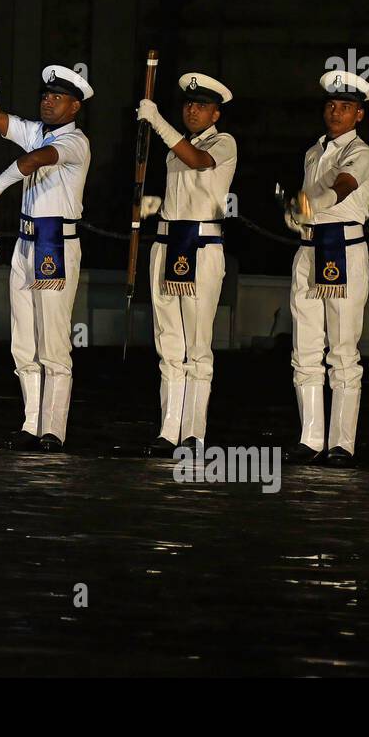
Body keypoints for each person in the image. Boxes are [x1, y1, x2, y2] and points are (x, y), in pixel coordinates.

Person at [0, 64, 92, 453]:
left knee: (53, 343)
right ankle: (31, 422)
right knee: (23, 341)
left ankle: (54, 428)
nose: (47, 100)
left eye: (57, 97)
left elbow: (36, 159)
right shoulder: (38, 131)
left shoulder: (75, 142)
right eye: (46, 95)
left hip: (56, 243)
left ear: (74, 107)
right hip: (26, 242)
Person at [136, 72, 237, 455]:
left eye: (202, 106)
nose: (193, 110)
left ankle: (194, 432)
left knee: (198, 346)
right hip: (167, 243)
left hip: (202, 246)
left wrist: (157, 120)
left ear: (216, 114)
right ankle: (168, 430)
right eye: (189, 104)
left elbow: (197, 161)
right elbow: (181, 192)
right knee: (169, 343)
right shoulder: (172, 148)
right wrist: (154, 207)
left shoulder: (224, 143)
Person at [282, 70, 369, 467]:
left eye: (345, 107)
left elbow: (344, 185)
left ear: (359, 115)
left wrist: (310, 206)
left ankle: (342, 442)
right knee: (304, 349)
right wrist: (298, 216)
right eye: (331, 105)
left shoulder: (362, 152)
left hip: (344, 249)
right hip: (309, 249)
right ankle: (310, 438)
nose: (336, 112)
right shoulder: (312, 150)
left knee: (342, 351)